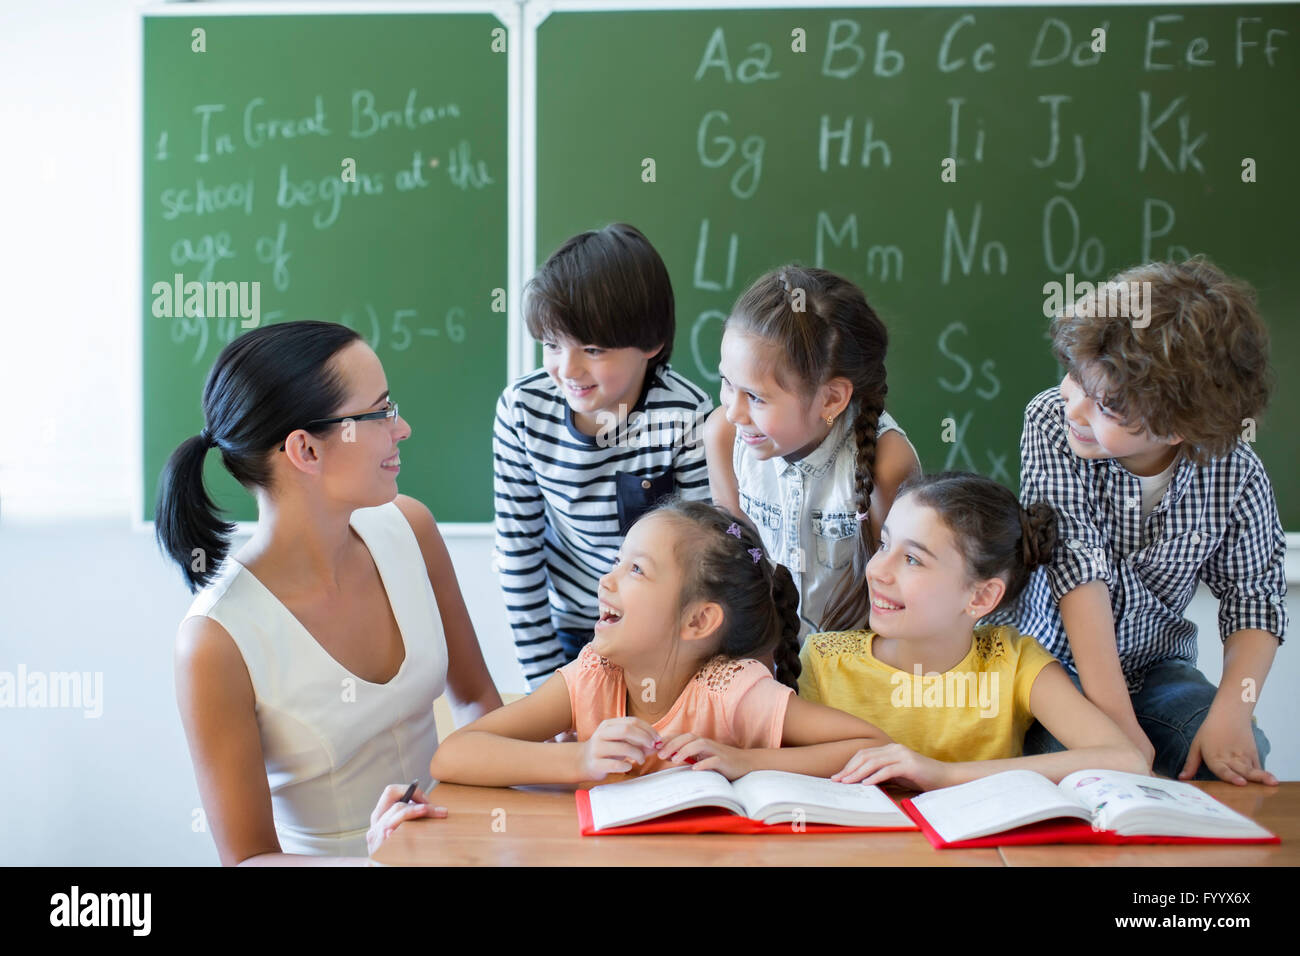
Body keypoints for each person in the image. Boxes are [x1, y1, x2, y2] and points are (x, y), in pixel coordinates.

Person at [156, 320, 501, 864]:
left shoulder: (410, 528)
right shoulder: (214, 641)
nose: (403, 427)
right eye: (381, 412)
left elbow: (477, 699)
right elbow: (248, 859)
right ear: (306, 451)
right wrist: (376, 860)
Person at [1010, 258, 1285, 785]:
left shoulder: (1236, 472)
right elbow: (1076, 567)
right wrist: (1114, 722)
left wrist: (1231, 713)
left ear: (1181, 425)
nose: (1075, 407)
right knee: (1082, 765)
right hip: (1055, 672)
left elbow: (1254, 595)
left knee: (1227, 757)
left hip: (1160, 669)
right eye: (1073, 376)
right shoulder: (1049, 422)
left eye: (1108, 406)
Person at [427, 499, 891, 787]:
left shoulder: (730, 690)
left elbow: (868, 744)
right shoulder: (592, 678)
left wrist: (746, 761)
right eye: (617, 560)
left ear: (698, 620)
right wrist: (579, 758)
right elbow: (453, 755)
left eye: (636, 570)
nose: (606, 580)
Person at [799, 472, 1147, 790]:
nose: (877, 571)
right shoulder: (823, 661)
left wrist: (943, 775)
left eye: (912, 560)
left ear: (981, 597)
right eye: (884, 545)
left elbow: (1126, 759)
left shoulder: (1013, 661)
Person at [494, 223, 713, 688]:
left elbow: (706, 551)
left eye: (592, 349)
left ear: (650, 344)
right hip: (575, 627)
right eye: (553, 345)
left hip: (666, 631)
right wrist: (542, 680)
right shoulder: (523, 409)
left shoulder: (686, 414)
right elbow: (518, 553)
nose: (568, 369)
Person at [704, 265, 920, 641]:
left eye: (755, 397)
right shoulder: (722, 436)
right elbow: (740, 556)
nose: (734, 412)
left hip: (855, 666)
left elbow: (902, 598)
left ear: (831, 398)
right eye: (726, 382)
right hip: (762, 654)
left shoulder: (886, 465)